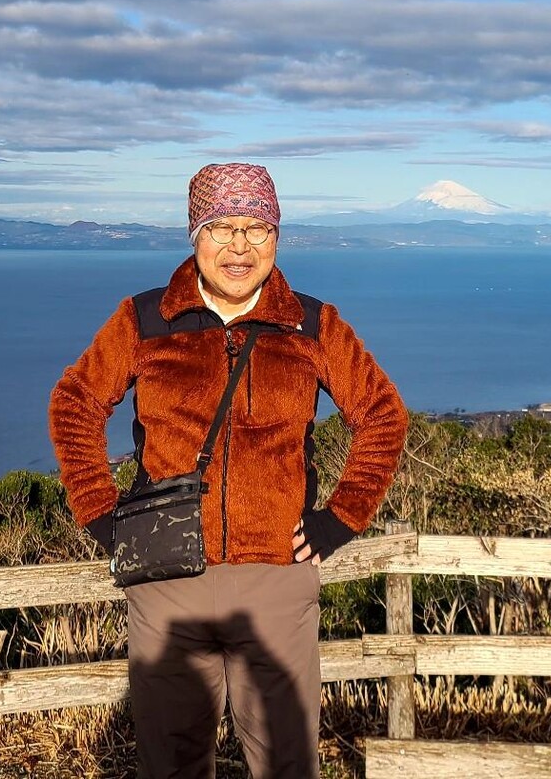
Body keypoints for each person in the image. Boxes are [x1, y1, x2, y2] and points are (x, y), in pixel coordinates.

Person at [48, 162, 409, 779]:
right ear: (195, 235)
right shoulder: (145, 320)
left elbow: (384, 415)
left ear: (277, 237)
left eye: (256, 228)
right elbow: (75, 402)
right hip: (169, 582)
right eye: (221, 227)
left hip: (276, 578)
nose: (239, 246)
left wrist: (339, 520)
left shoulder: (311, 324)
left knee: (288, 763)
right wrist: (100, 512)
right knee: (172, 762)